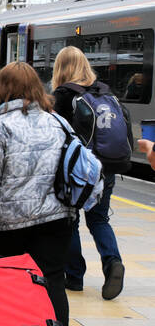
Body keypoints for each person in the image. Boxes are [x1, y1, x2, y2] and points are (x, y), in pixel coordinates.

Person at [0, 62, 75, 326]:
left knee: (15, 283)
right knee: (52, 280)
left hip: (11, 223)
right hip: (57, 217)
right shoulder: (57, 122)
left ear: (1, 89)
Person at [51, 46, 125, 300]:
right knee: (99, 219)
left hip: (76, 169)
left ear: (60, 68)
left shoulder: (62, 95)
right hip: (106, 167)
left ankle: (75, 276)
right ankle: (112, 262)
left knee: (70, 219)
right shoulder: (105, 91)